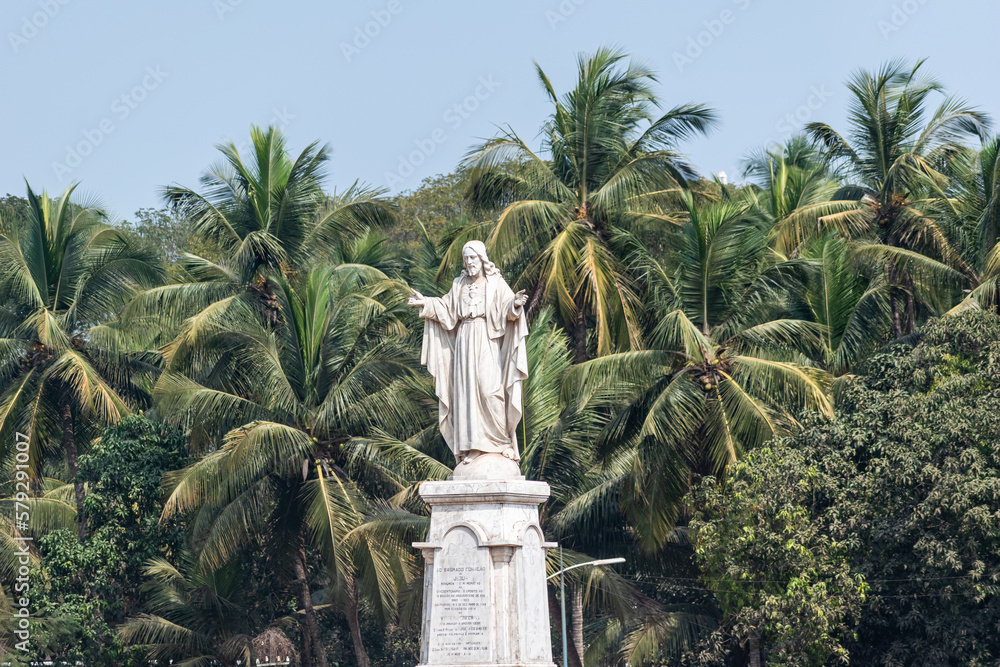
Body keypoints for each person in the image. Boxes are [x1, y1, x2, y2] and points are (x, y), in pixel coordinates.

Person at [408, 240, 529, 465]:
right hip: (464, 340)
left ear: (482, 259)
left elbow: (507, 308)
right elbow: (446, 308)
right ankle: (473, 445)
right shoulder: (459, 284)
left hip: (486, 338)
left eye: (472, 257)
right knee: (467, 393)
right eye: (466, 258)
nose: (469, 262)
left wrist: (516, 304)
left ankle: (501, 442)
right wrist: (425, 303)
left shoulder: (496, 282)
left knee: (490, 390)